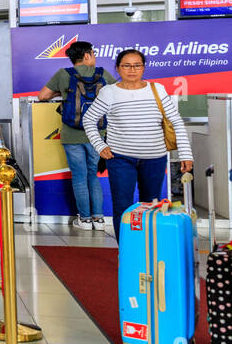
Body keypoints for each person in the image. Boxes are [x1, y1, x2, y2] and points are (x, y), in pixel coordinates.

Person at [82, 49, 193, 240]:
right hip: (120, 159)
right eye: (126, 65)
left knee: (150, 205)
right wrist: (100, 146)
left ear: (143, 67)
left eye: (137, 65)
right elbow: (89, 119)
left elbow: (175, 121)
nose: (132, 70)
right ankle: (125, 250)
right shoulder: (109, 92)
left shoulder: (157, 89)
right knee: (122, 206)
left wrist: (185, 154)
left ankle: (147, 249)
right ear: (118, 68)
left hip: (154, 159)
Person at [36, 41, 115, 231]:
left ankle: (85, 220)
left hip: (72, 134)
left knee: (79, 177)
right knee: (93, 176)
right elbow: (117, 94)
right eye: (93, 53)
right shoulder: (103, 74)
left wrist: (62, 92)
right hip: (97, 134)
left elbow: (42, 96)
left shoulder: (64, 74)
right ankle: (99, 218)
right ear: (87, 55)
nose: (94, 57)